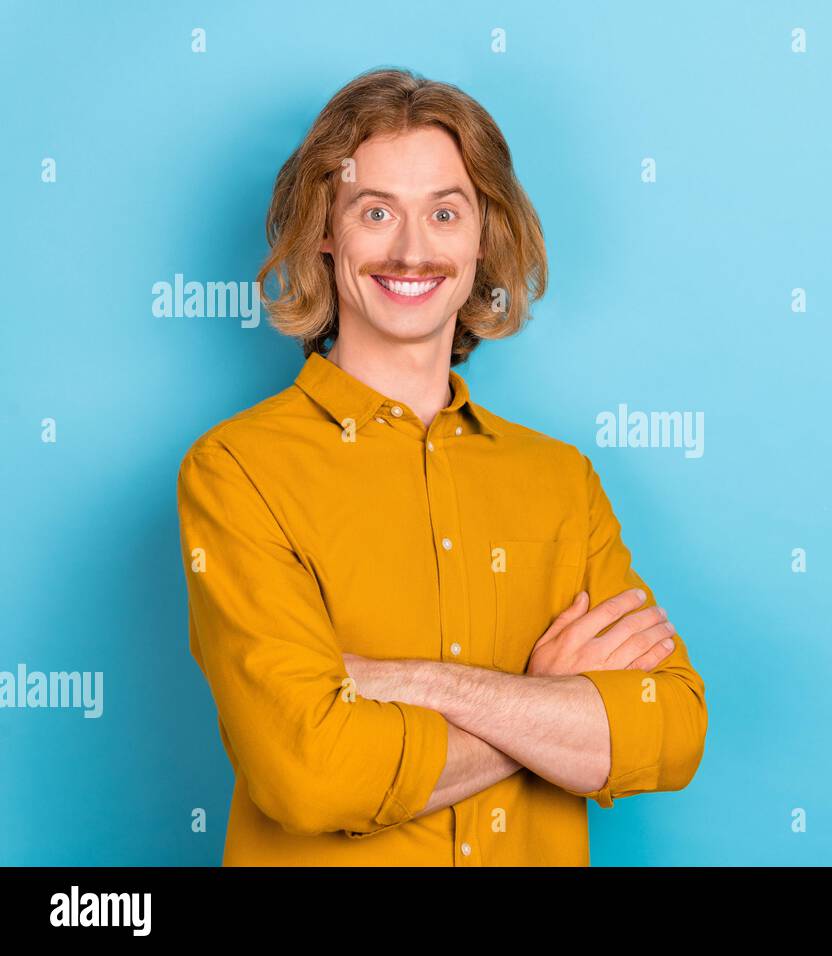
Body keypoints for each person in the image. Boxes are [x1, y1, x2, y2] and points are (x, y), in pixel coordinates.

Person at [176, 67, 707, 866]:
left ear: (483, 237)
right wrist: (545, 704)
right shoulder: (236, 471)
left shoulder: (561, 479)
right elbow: (313, 774)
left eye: (445, 212)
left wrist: (409, 684)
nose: (412, 249)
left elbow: (670, 735)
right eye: (376, 210)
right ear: (325, 231)